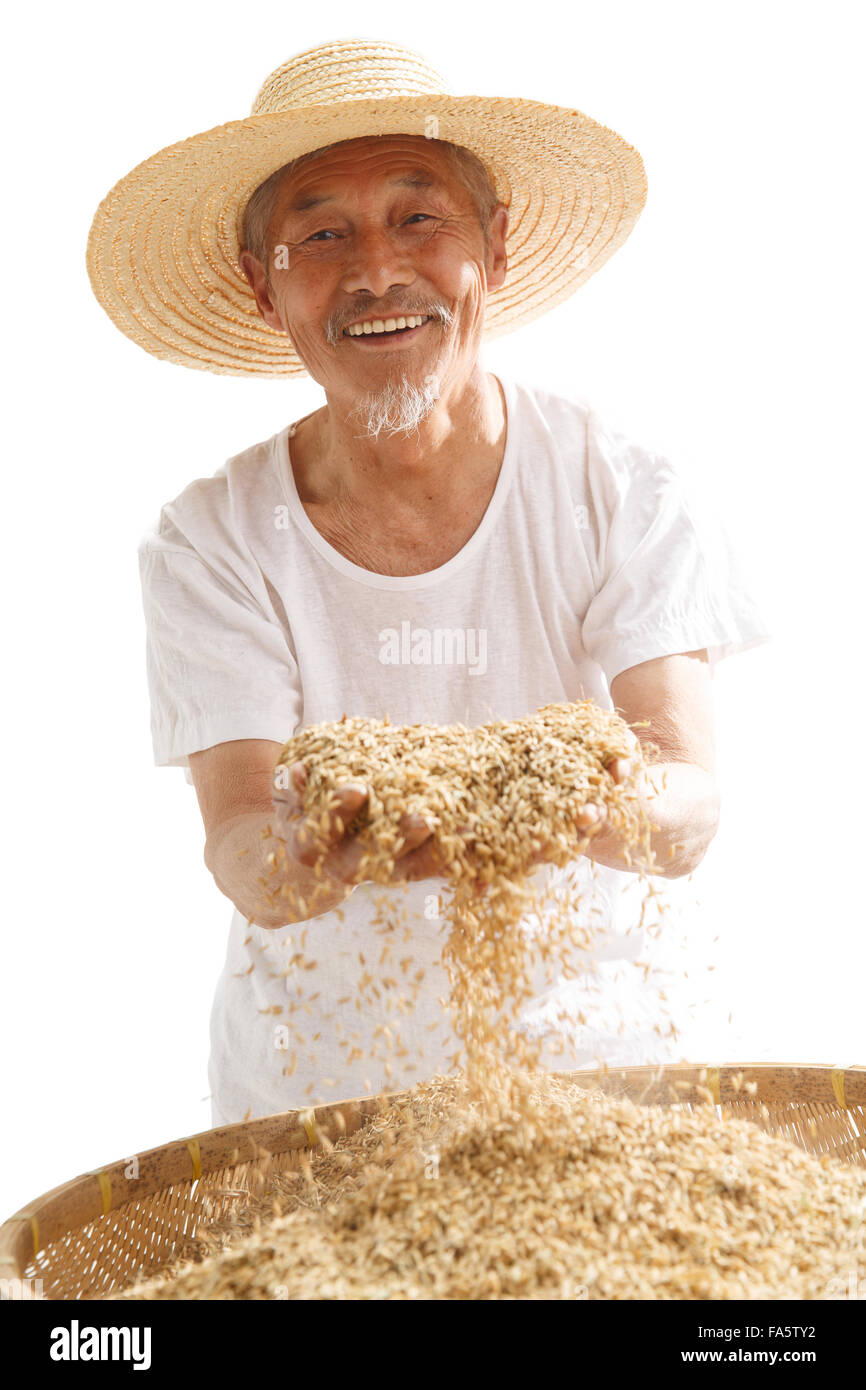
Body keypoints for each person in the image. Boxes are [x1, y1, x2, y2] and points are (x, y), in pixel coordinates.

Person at [87, 39, 770, 1125]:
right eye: (320, 234)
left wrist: (564, 797)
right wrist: (311, 852)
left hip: (611, 1086)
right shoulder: (213, 541)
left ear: (492, 249)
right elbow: (240, 838)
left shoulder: (616, 487)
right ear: (263, 287)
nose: (373, 272)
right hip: (318, 1112)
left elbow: (686, 804)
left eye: (419, 218)